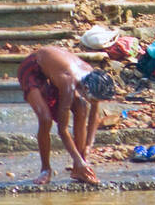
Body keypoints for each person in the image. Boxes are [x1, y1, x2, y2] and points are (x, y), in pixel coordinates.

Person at [14, 46, 116, 186]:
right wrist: (79, 159)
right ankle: (46, 169)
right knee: (45, 119)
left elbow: (94, 116)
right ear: (85, 90)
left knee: (81, 108)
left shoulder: (93, 78)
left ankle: (78, 168)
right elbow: (62, 130)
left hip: (54, 70)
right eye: (93, 99)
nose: (94, 102)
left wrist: (87, 148)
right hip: (33, 68)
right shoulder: (68, 83)